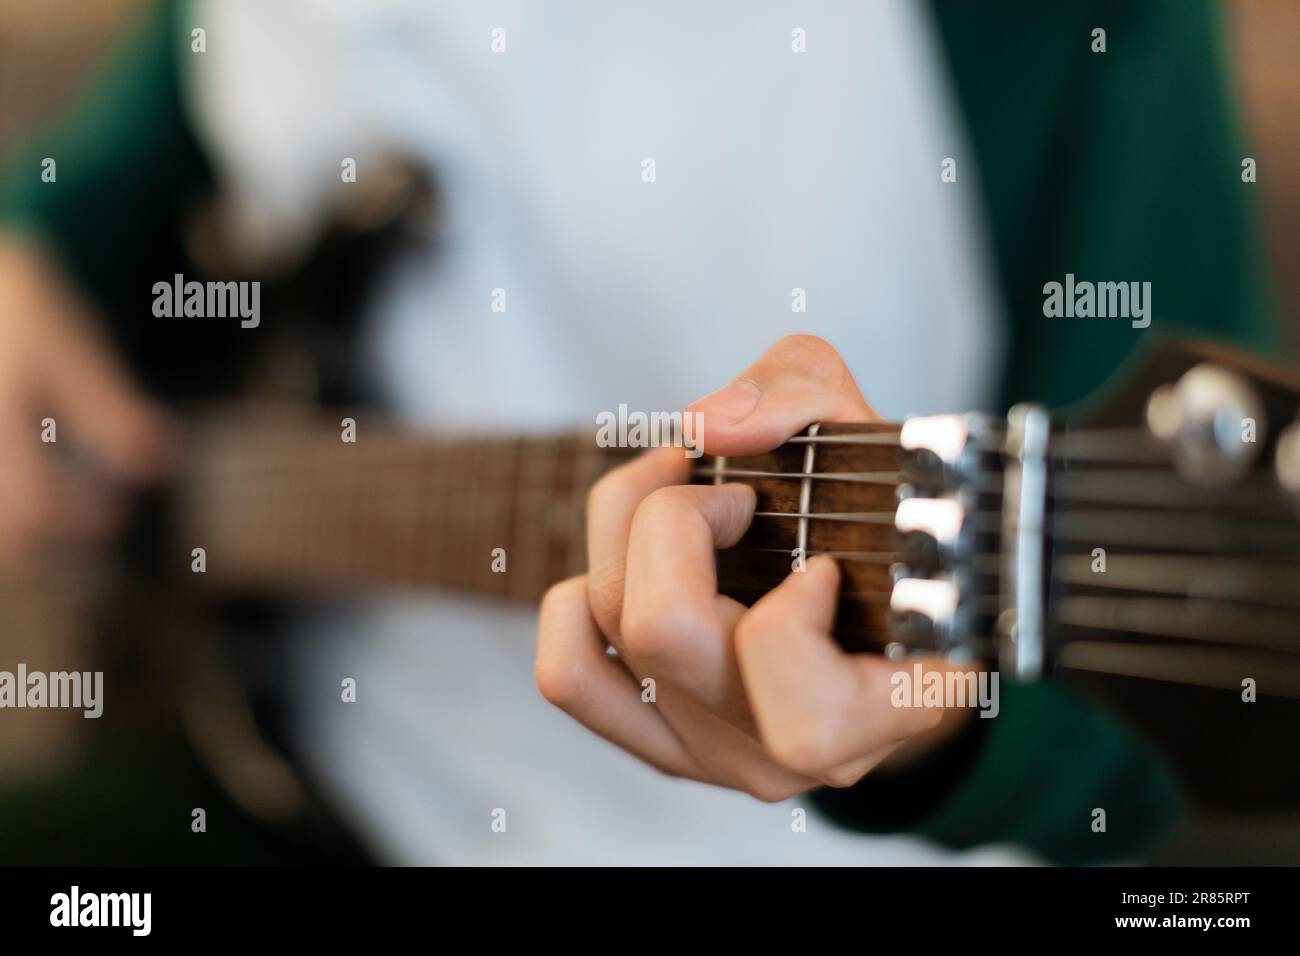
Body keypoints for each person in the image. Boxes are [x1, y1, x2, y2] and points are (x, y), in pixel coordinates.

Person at [0, 0, 1281, 864]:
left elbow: (1129, 759)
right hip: (288, 759)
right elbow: (172, 126)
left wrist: (927, 741)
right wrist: (31, 254)